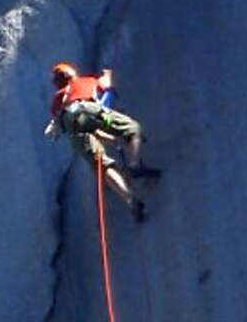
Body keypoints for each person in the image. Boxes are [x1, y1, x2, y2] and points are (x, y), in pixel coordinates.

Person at [44, 62, 160, 220]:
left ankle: (131, 200)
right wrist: (107, 74)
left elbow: (84, 126)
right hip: (90, 109)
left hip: (71, 124)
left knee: (101, 164)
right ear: (71, 74)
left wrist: (110, 139)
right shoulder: (85, 81)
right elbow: (106, 87)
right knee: (132, 128)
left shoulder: (58, 100)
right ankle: (134, 165)